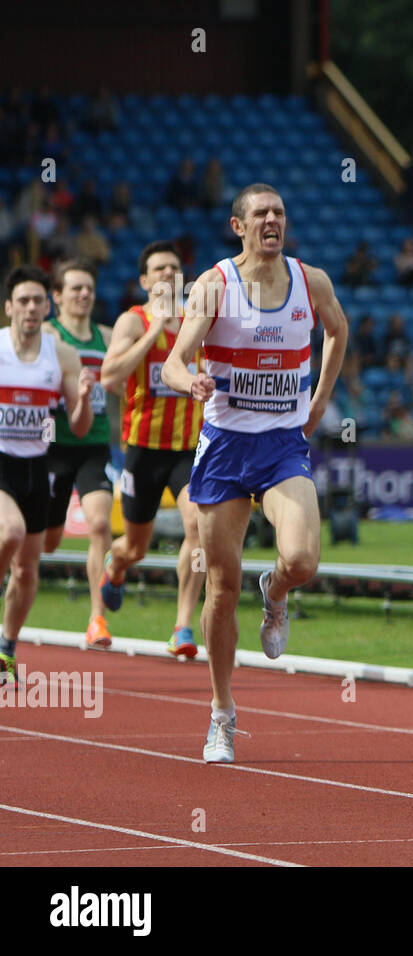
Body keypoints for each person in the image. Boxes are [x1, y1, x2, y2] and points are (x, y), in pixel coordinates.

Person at [162, 183, 348, 762]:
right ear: (238, 226)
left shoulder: (310, 281)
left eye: (280, 213)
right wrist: (188, 380)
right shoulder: (214, 286)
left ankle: (276, 591)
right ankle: (222, 715)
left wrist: (319, 401)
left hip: (281, 447)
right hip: (222, 449)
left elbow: (338, 332)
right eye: (261, 214)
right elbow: (173, 358)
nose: (273, 220)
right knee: (220, 588)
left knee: (302, 560)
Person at [98, 241, 206, 658]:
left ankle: (182, 627)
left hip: (188, 448)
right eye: (158, 268)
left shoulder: (198, 322)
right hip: (142, 448)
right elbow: (110, 377)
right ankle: (117, 564)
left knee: (197, 526)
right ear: (144, 280)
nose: (166, 274)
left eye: (173, 268)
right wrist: (155, 333)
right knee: (136, 547)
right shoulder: (132, 321)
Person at [0, 265, 95, 682]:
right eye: (23, 300)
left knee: (26, 569)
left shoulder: (63, 355)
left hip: (37, 468)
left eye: (38, 300)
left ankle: (6, 645)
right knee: (10, 533)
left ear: (47, 306)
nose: (32, 308)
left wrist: (85, 400)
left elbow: (78, 427)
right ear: (9, 308)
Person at [41, 259, 116, 648]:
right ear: (56, 296)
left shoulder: (107, 335)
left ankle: (96, 619)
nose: (84, 294)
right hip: (51, 446)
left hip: (94, 446)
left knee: (101, 525)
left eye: (89, 288)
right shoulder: (45, 335)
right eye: (75, 289)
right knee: (48, 542)